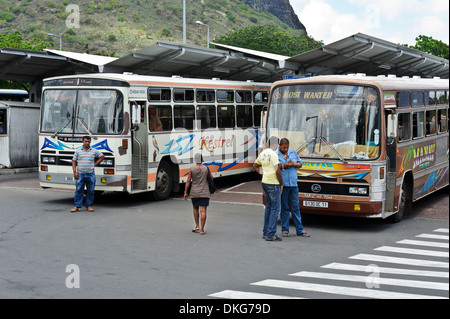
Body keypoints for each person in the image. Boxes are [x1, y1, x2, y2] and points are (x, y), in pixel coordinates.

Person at [277, 138, 310, 237]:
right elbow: (273, 167)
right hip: (284, 185)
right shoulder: (275, 154)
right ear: (279, 146)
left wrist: (293, 164)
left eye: (287, 147)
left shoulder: (293, 152)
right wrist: (283, 166)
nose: (285, 149)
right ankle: (285, 230)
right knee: (285, 208)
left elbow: (300, 164)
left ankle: (300, 230)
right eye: (283, 148)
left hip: (294, 185)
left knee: (296, 208)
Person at [253, 136, 284, 241]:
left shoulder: (263, 153)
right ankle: (271, 234)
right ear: (275, 144)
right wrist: (281, 183)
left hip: (265, 182)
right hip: (273, 183)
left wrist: (263, 173)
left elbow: (255, 165)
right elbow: (277, 171)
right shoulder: (273, 154)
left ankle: (265, 232)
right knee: (275, 209)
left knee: (269, 208)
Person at [71, 136, 105, 212]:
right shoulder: (78, 151)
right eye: (86, 141)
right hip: (80, 174)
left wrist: (95, 163)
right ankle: (76, 206)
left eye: (88, 141)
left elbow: (102, 156)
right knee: (79, 190)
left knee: (91, 191)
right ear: (83, 142)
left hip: (90, 174)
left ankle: (89, 205)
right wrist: (75, 172)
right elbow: (74, 161)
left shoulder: (94, 151)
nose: (87, 143)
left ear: (90, 142)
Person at [184, 153, 213, 235]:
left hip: (194, 192)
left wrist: (185, 192)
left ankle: (197, 226)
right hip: (204, 191)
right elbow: (211, 178)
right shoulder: (206, 168)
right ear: (202, 159)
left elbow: (188, 181)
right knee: (203, 210)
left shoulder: (192, 169)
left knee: (195, 208)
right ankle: (202, 230)